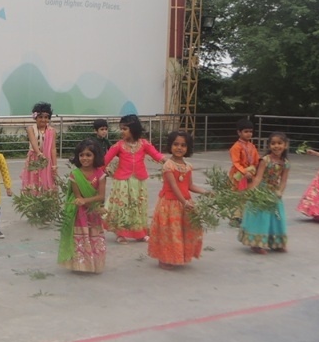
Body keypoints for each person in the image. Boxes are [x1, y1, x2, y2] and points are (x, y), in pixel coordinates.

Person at [148, 130, 209, 270]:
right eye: (176, 144)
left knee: (184, 231)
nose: (179, 148)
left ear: (188, 148)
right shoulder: (168, 165)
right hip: (170, 204)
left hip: (185, 203)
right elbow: (174, 187)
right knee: (169, 232)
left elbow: (190, 186)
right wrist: (184, 202)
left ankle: (179, 256)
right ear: (170, 145)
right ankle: (165, 258)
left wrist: (206, 192)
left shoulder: (188, 166)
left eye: (183, 145)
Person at [103, 113, 166, 243]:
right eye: (121, 129)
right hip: (122, 182)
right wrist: (93, 171)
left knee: (138, 206)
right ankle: (120, 233)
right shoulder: (118, 145)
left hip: (139, 181)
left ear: (134, 129)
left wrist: (172, 163)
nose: (122, 131)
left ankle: (140, 233)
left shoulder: (144, 144)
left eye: (125, 129)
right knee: (123, 207)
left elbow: (157, 156)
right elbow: (104, 161)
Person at [57, 138, 107, 273]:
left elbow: (101, 196)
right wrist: (83, 202)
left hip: (94, 212)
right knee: (81, 238)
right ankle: (79, 265)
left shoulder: (100, 175)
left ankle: (93, 264)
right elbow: (78, 196)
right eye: (81, 155)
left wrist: (89, 203)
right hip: (80, 213)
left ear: (95, 156)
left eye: (88, 155)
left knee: (93, 236)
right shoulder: (75, 174)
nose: (84, 158)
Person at [238, 131, 290, 254]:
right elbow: (258, 178)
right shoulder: (265, 160)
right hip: (261, 192)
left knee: (276, 218)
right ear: (269, 146)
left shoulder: (286, 163)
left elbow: (283, 181)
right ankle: (256, 244)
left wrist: (280, 192)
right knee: (261, 218)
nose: (276, 146)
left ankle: (276, 243)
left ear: (285, 145)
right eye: (273, 143)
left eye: (279, 143)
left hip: (274, 193)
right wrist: (251, 191)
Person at [228, 118, 260, 226]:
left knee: (249, 195)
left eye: (250, 131)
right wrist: (244, 172)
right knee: (239, 196)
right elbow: (236, 163)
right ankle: (235, 217)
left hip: (250, 175)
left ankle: (245, 216)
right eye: (246, 131)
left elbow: (256, 161)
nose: (249, 134)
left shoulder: (252, 146)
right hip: (238, 175)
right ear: (239, 132)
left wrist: (258, 170)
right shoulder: (236, 147)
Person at [21, 101, 58, 193]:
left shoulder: (52, 131)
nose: (43, 120)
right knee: (33, 181)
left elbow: (53, 149)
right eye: (40, 117)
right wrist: (38, 153)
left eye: (46, 117)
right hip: (34, 158)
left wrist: (54, 165)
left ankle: (45, 198)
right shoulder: (31, 129)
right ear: (35, 117)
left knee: (47, 182)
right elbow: (33, 142)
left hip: (46, 159)